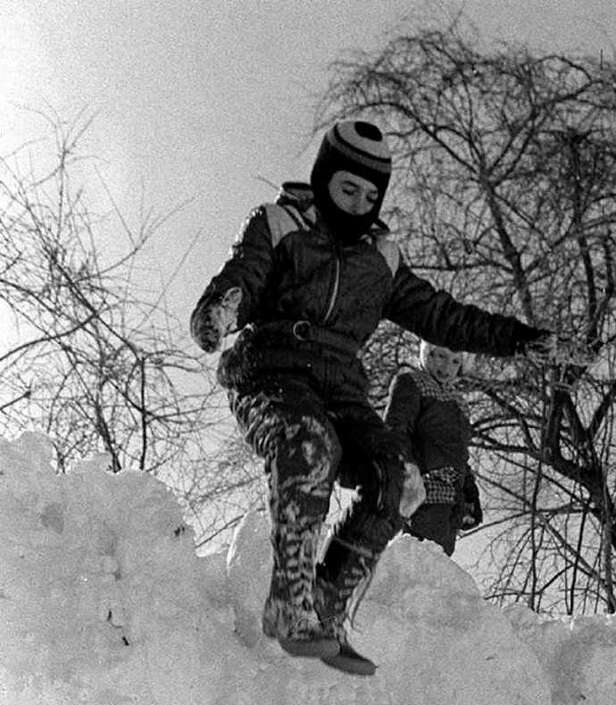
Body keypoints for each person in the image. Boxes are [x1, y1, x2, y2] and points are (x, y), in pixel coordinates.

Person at [190, 118, 546, 674]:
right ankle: (290, 599)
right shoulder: (281, 224)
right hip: (272, 374)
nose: (357, 203)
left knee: (401, 479)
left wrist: (523, 341)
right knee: (310, 446)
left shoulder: (381, 259)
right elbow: (245, 274)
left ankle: (327, 606)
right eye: (347, 189)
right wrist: (221, 309)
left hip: (340, 388)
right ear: (324, 179)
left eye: (369, 196)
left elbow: (445, 317)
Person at [384, 341, 481, 558]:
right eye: (441, 356)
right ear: (427, 353)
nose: (447, 367)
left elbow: (458, 453)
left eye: (455, 362)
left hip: (452, 496)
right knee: (422, 557)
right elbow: (396, 430)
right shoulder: (412, 382)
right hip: (423, 487)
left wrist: (469, 491)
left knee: (440, 561)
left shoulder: (459, 402)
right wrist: (406, 471)